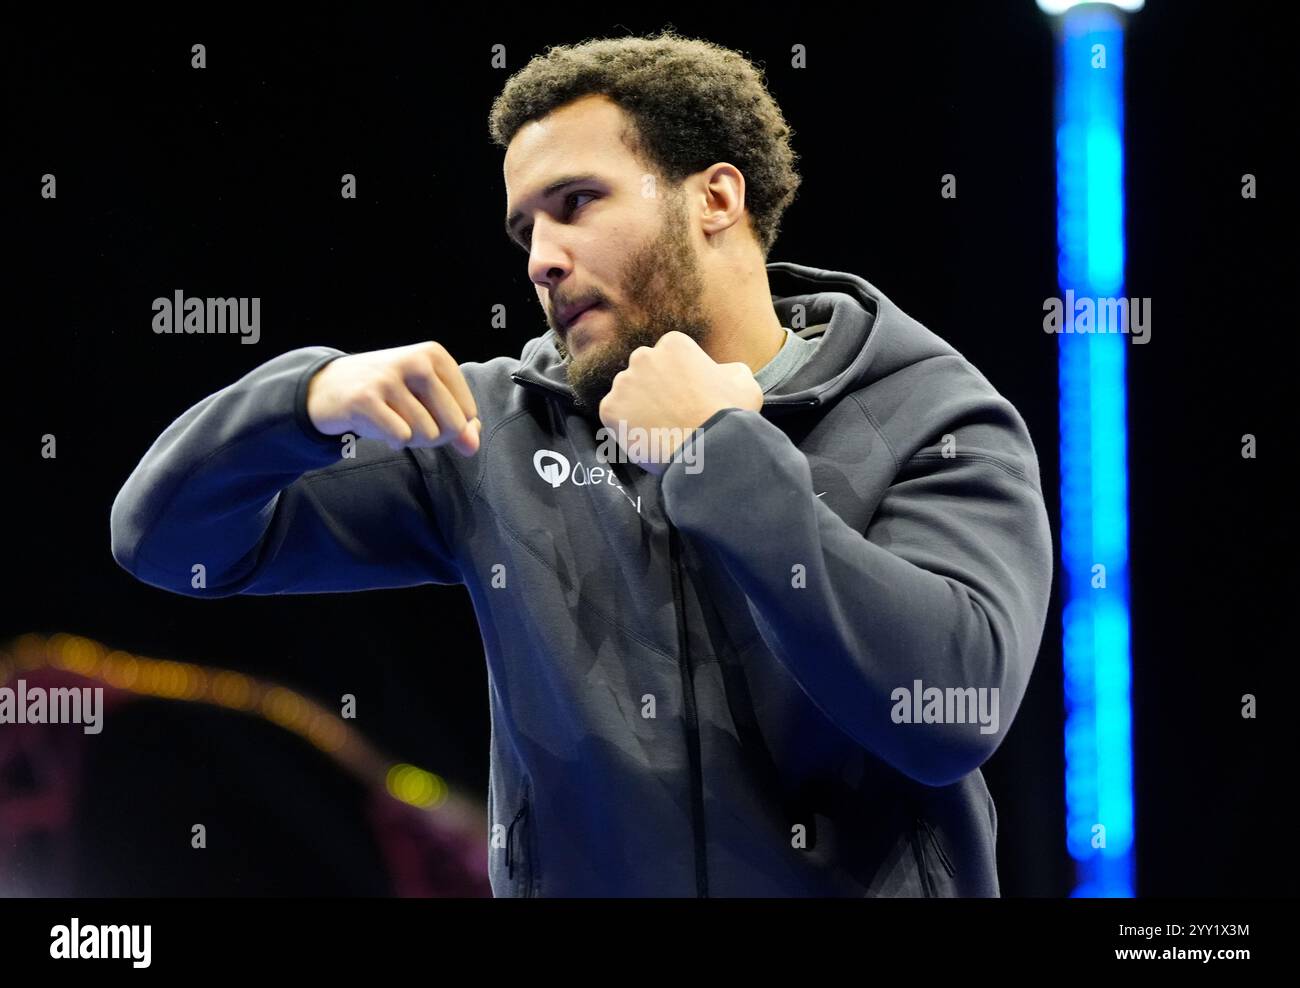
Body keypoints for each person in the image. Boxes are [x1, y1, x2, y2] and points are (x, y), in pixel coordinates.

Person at [110, 30, 1053, 896]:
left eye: (577, 204)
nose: (541, 261)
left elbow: (946, 713)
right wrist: (300, 404)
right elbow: (166, 542)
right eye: (526, 230)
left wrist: (718, 454)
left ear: (716, 197)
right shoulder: (494, 430)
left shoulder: (929, 412)